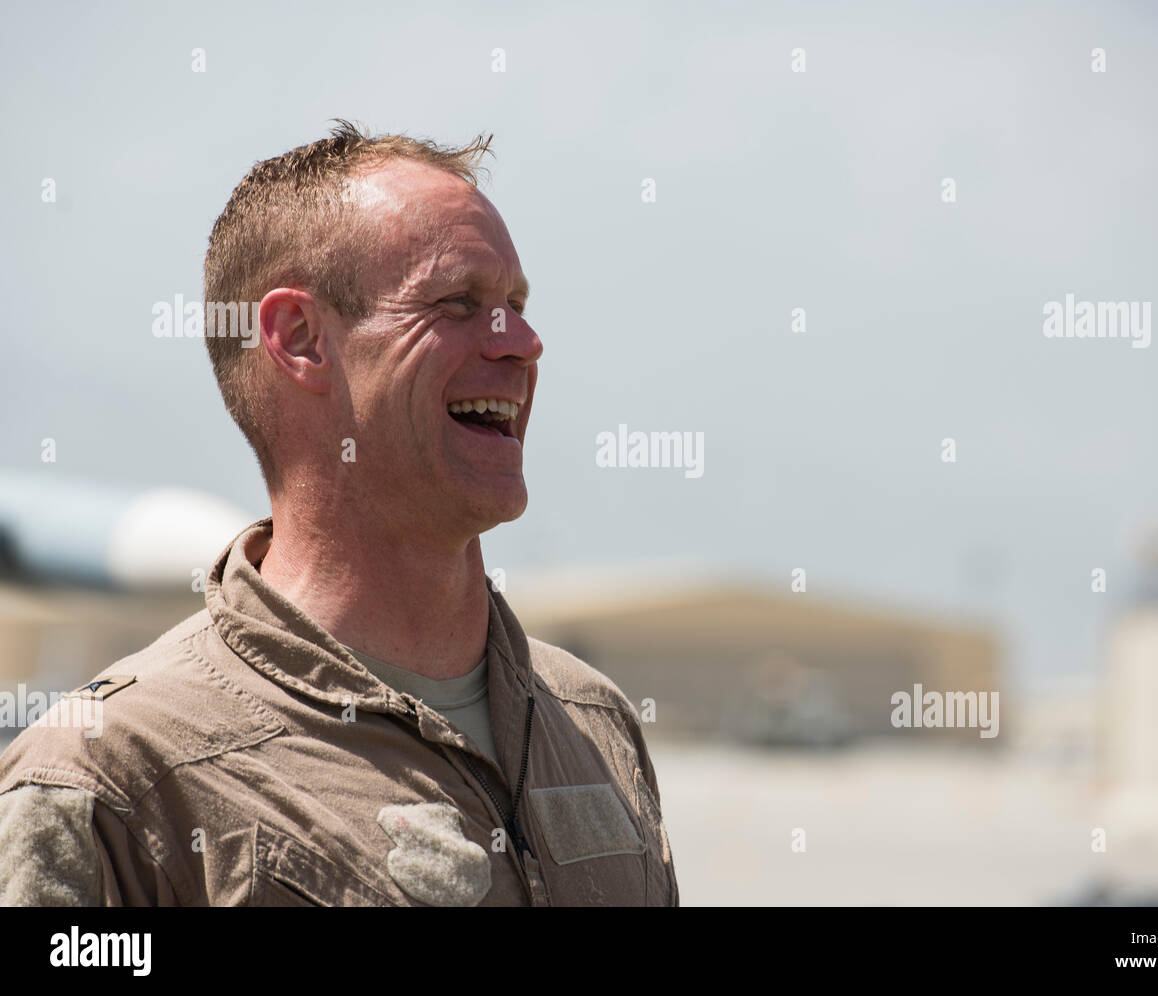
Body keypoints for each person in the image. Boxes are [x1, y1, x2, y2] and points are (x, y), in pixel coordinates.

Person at [0, 122, 679, 907]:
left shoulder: (594, 725)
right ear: (299, 339)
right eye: (460, 301)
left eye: (517, 306)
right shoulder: (112, 782)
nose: (523, 344)